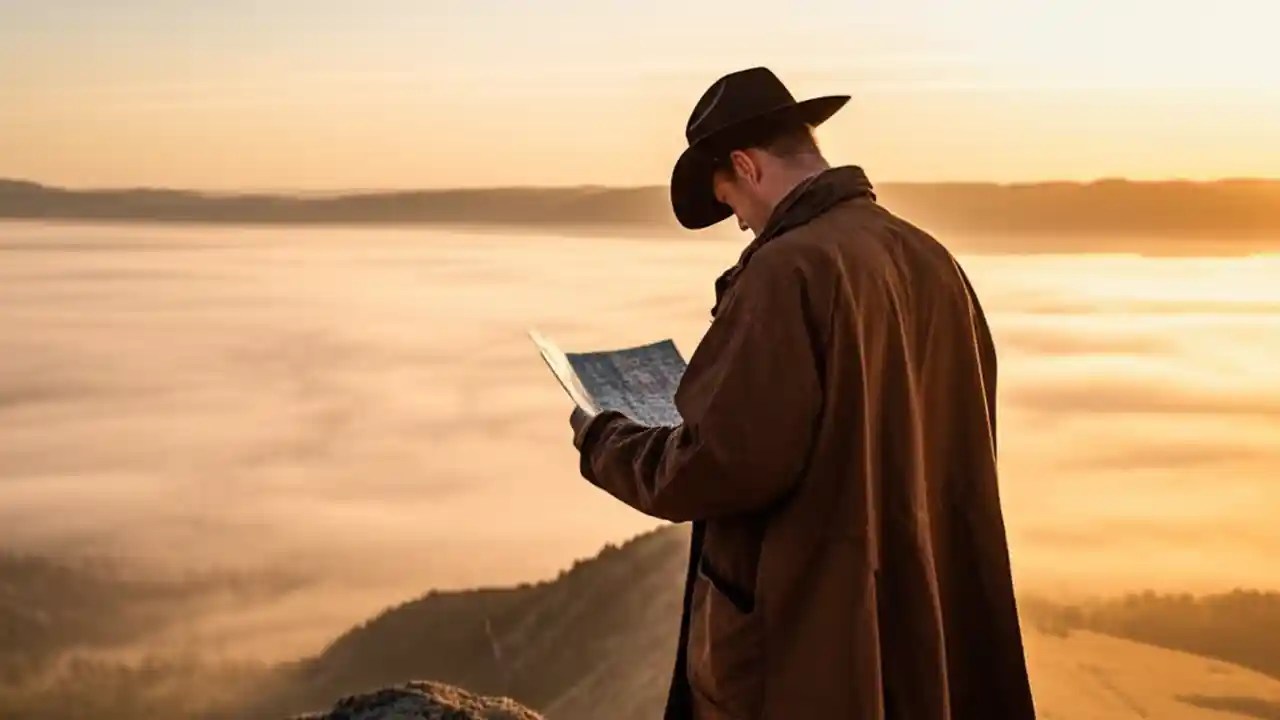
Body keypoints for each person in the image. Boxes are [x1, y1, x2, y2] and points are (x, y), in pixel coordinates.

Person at [569, 67, 1036, 720]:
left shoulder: (786, 271)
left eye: (728, 200)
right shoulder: (931, 258)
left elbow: (720, 466)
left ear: (746, 166)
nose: (738, 225)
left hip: (813, 641)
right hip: (917, 622)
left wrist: (603, 439)